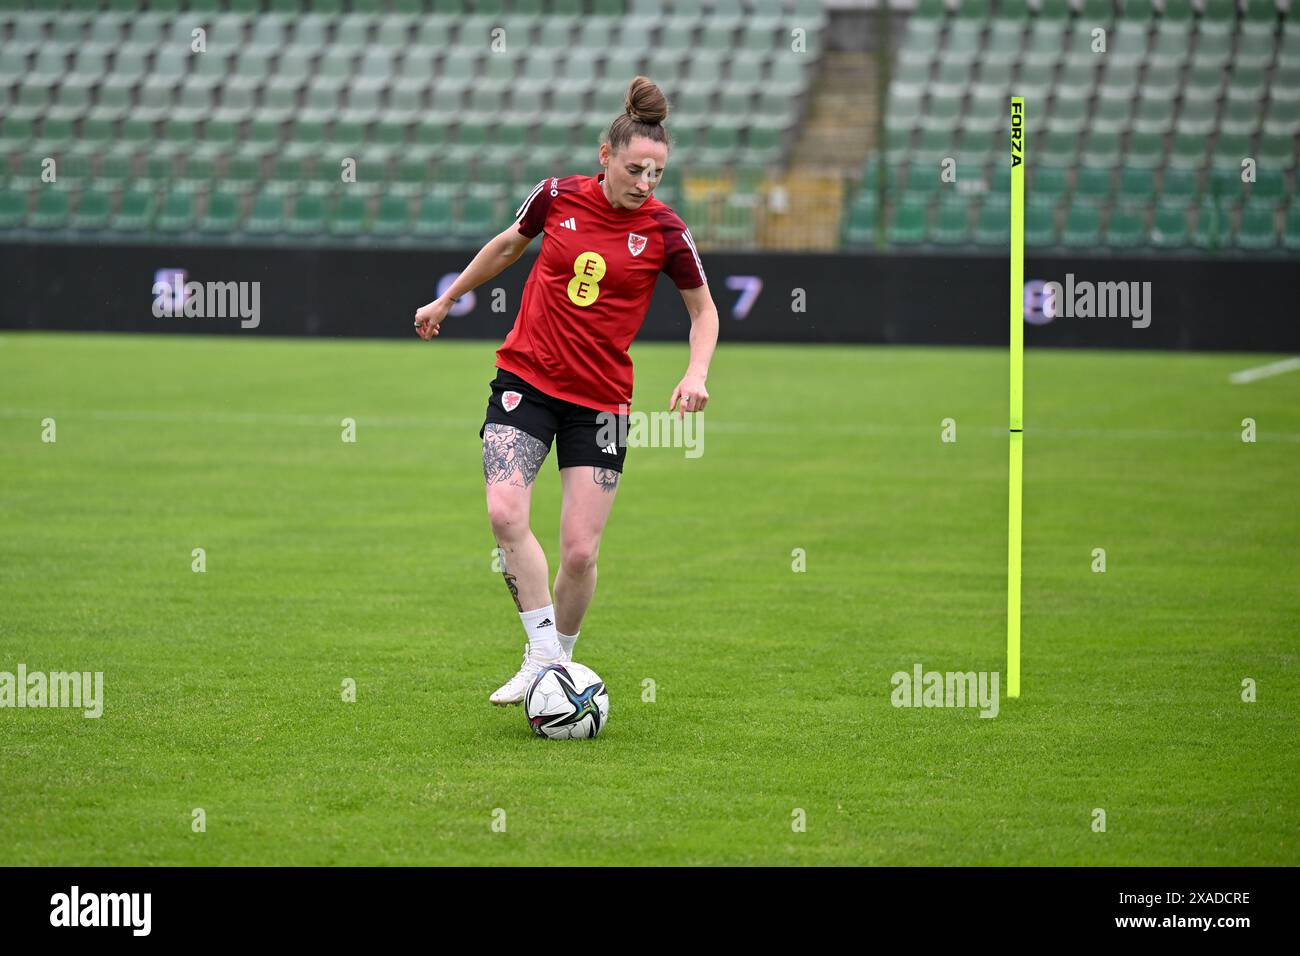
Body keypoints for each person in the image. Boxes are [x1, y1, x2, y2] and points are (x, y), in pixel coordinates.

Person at [414, 76, 719, 705]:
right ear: (605, 157)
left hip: (603, 402)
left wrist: (696, 373)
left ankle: (560, 662)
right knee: (504, 513)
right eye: (635, 168)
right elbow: (505, 248)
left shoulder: (666, 232)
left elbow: (704, 312)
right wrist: (447, 299)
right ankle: (542, 655)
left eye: (657, 173)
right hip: (526, 377)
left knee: (579, 554)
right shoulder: (555, 196)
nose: (645, 182)